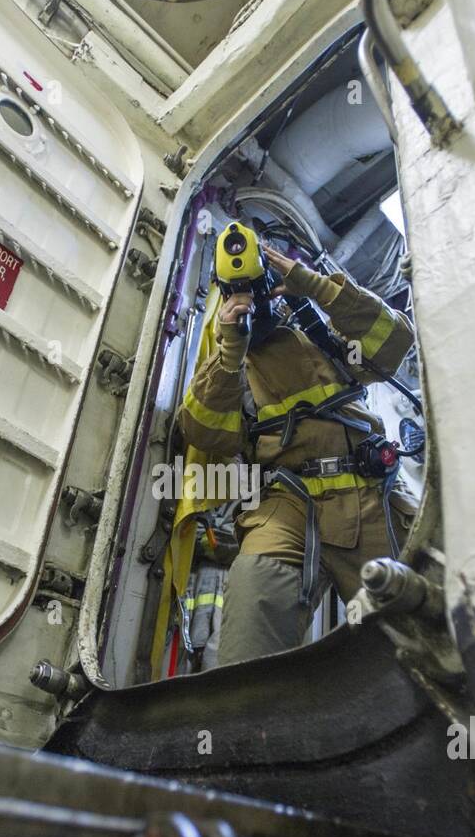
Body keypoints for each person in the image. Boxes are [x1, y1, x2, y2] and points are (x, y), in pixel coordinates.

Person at [177, 242, 415, 665]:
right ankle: (251, 728)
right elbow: (203, 431)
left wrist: (318, 287)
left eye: (257, 288)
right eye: (237, 293)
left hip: (369, 497)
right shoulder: (228, 366)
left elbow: (395, 339)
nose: (252, 301)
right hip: (287, 505)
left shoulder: (319, 335)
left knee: (412, 637)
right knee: (250, 628)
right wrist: (231, 349)